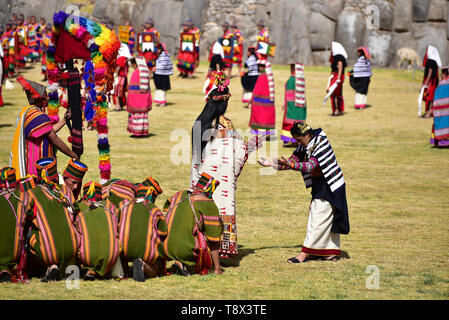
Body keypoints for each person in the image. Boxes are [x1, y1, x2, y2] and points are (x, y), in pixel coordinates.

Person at [258, 122, 349, 263]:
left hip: (330, 185)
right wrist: (272, 164)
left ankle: (304, 254)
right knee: (324, 219)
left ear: (307, 135)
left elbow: (308, 166)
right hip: (321, 184)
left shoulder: (320, 143)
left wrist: (290, 165)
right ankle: (329, 253)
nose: (298, 143)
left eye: (299, 140)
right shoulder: (306, 143)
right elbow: (292, 161)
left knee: (317, 219)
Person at [190, 115, 264, 258]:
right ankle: (222, 250)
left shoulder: (204, 143)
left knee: (205, 215)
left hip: (207, 188)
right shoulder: (229, 143)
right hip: (224, 191)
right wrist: (248, 147)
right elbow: (239, 154)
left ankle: (203, 248)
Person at [25, 157, 82, 282]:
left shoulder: (31, 193)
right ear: (56, 175)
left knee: (29, 236)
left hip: (49, 251)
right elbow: (77, 213)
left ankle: (50, 264)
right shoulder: (65, 191)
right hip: (73, 246)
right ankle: (56, 267)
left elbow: (26, 217)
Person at [10, 77, 79, 178]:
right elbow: (54, 139)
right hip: (35, 168)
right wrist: (72, 154)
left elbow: (49, 130)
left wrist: (64, 120)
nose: (47, 99)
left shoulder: (28, 112)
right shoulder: (37, 116)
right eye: (45, 97)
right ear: (38, 99)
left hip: (34, 164)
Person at [162, 172, 224, 275]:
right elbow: (214, 239)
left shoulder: (179, 194)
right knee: (204, 237)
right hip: (183, 248)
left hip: (163, 246)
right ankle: (181, 259)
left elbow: (166, 206)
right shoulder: (207, 203)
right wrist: (217, 268)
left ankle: (178, 261)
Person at [118, 179, 168, 282]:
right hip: (146, 251)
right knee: (155, 269)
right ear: (151, 196)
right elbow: (163, 234)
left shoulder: (123, 205)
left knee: (121, 241)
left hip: (123, 249)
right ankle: (144, 266)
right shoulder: (154, 209)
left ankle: (124, 269)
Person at [75, 181, 121, 280]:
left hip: (86, 256)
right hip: (111, 257)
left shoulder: (78, 207)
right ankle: (103, 270)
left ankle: (88, 269)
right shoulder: (110, 206)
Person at [281, 63, 307, 146]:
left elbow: (288, 94)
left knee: (290, 123)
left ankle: (289, 140)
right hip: (301, 105)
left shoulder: (292, 79)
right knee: (298, 123)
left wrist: (285, 103)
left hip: (291, 105)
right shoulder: (301, 80)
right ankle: (298, 140)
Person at [127, 56, 152, 137]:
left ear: (135, 64)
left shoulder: (136, 73)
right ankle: (142, 131)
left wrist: (130, 99)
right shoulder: (145, 73)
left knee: (137, 115)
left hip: (136, 100)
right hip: (144, 99)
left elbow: (132, 89)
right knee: (142, 116)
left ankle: (136, 132)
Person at [249, 59, 275, 136]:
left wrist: (253, 97)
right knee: (267, 115)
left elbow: (257, 89)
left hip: (259, 100)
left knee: (257, 114)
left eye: (260, 66)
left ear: (263, 67)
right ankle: (268, 131)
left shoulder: (262, 77)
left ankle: (256, 130)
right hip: (267, 101)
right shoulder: (268, 76)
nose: (259, 68)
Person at [429, 66, 449, 148]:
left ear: (444, 73)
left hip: (440, 109)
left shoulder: (442, 83)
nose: (441, 76)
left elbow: (437, 97)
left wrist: (434, 109)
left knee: (439, 124)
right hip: (445, 109)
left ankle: (440, 142)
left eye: (442, 74)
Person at [327, 41, 347, 116]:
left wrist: (338, 78)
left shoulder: (338, 57)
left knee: (333, 93)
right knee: (339, 93)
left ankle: (336, 111)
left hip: (337, 76)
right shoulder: (340, 56)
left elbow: (340, 66)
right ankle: (340, 109)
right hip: (338, 76)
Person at [422, 45, 442, 118]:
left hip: (431, 82)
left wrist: (426, 82)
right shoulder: (434, 61)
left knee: (430, 96)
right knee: (429, 96)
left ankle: (429, 112)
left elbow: (430, 72)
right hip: (433, 81)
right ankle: (428, 111)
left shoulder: (431, 61)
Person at [153, 43, 173, 107]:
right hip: (159, 75)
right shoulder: (159, 55)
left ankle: (162, 102)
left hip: (163, 76)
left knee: (162, 89)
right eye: (157, 49)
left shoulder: (164, 55)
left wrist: (156, 68)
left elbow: (164, 65)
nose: (158, 50)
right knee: (158, 88)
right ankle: (159, 101)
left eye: (159, 49)